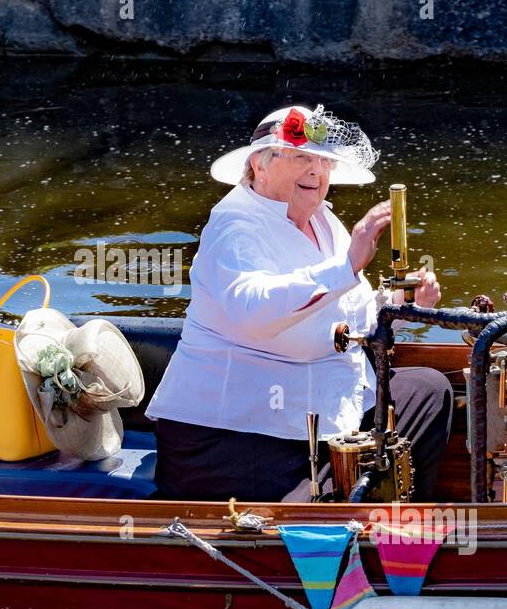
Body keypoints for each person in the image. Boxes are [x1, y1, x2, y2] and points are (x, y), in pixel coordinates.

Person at [146, 104, 454, 501]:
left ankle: (392, 529)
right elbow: (255, 311)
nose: (317, 171)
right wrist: (345, 266)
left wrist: (400, 303)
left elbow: (348, 321)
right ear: (259, 164)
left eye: (324, 161)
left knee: (429, 390)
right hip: (232, 438)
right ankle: (337, 523)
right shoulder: (233, 223)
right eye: (301, 158)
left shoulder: (324, 220)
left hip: (316, 416)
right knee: (316, 503)